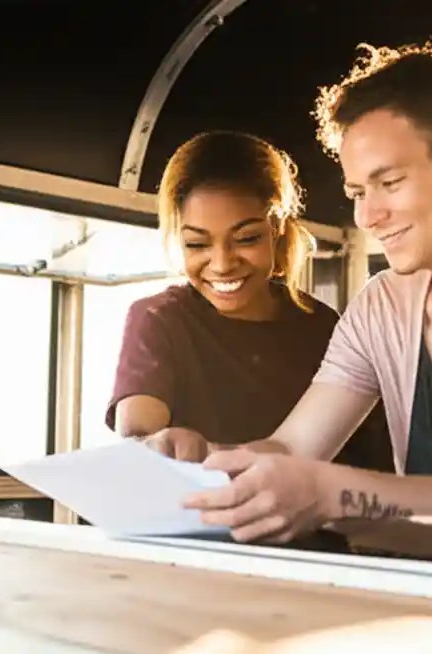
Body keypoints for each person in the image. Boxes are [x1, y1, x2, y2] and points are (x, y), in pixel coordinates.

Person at [148, 43, 432, 543]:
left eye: (389, 182)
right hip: (423, 603)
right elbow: (289, 450)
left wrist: (332, 494)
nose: (368, 217)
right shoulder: (381, 306)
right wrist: (203, 460)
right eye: (357, 193)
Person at [107, 129, 393, 474]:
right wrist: (154, 446)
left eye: (246, 238)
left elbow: (372, 464)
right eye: (197, 244)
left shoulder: (326, 328)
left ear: (278, 229)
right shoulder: (159, 319)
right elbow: (139, 435)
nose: (223, 263)